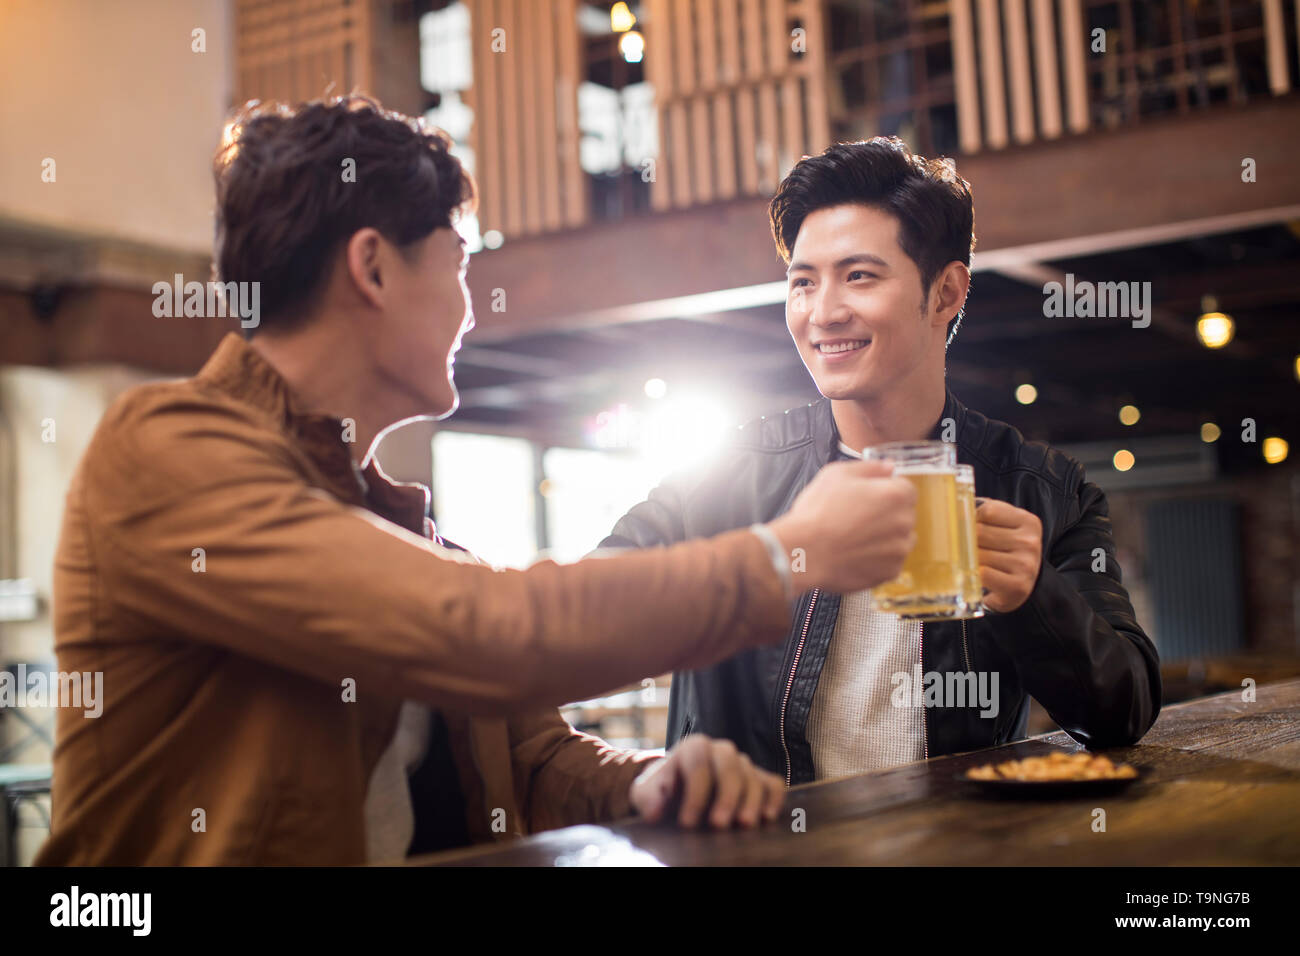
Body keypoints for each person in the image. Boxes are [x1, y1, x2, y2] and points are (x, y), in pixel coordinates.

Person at [33, 98, 920, 866]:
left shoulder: (394, 522)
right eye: (459, 263)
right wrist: (787, 556)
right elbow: (490, 632)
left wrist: (651, 783)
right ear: (373, 267)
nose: (469, 304)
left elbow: (530, 756)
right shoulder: (163, 451)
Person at [602, 137, 1161, 785]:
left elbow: (1126, 713)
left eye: (859, 276)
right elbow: (593, 609)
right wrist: (777, 555)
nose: (823, 312)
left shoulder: (1042, 489)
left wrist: (1036, 599)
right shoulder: (728, 473)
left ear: (946, 293)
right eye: (803, 282)